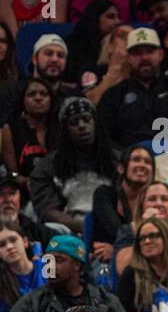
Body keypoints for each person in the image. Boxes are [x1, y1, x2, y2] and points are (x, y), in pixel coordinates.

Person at [8, 234, 132, 312]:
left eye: (59, 260)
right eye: (48, 261)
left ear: (77, 265)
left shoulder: (107, 301)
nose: (50, 267)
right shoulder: (31, 303)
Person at [30, 97, 117, 233]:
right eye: (74, 123)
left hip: (113, 224)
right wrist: (85, 227)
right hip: (70, 229)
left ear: (96, 122)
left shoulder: (116, 160)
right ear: (65, 130)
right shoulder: (46, 167)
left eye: (87, 119)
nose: (82, 126)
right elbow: (48, 211)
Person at [97, 27, 168, 148]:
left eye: (149, 51)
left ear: (161, 55)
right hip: (128, 158)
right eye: (137, 53)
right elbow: (105, 137)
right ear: (129, 58)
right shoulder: (113, 95)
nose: (144, 58)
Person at [116, 219, 168, 312]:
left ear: (167, 238)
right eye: (142, 238)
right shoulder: (131, 273)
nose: (147, 241)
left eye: (153, 236)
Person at [0, 221, 45, 312]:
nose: (9, 247)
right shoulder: (2, 282)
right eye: (2, 245)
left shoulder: (47, 267)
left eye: (13, 240)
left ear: (25, 242)